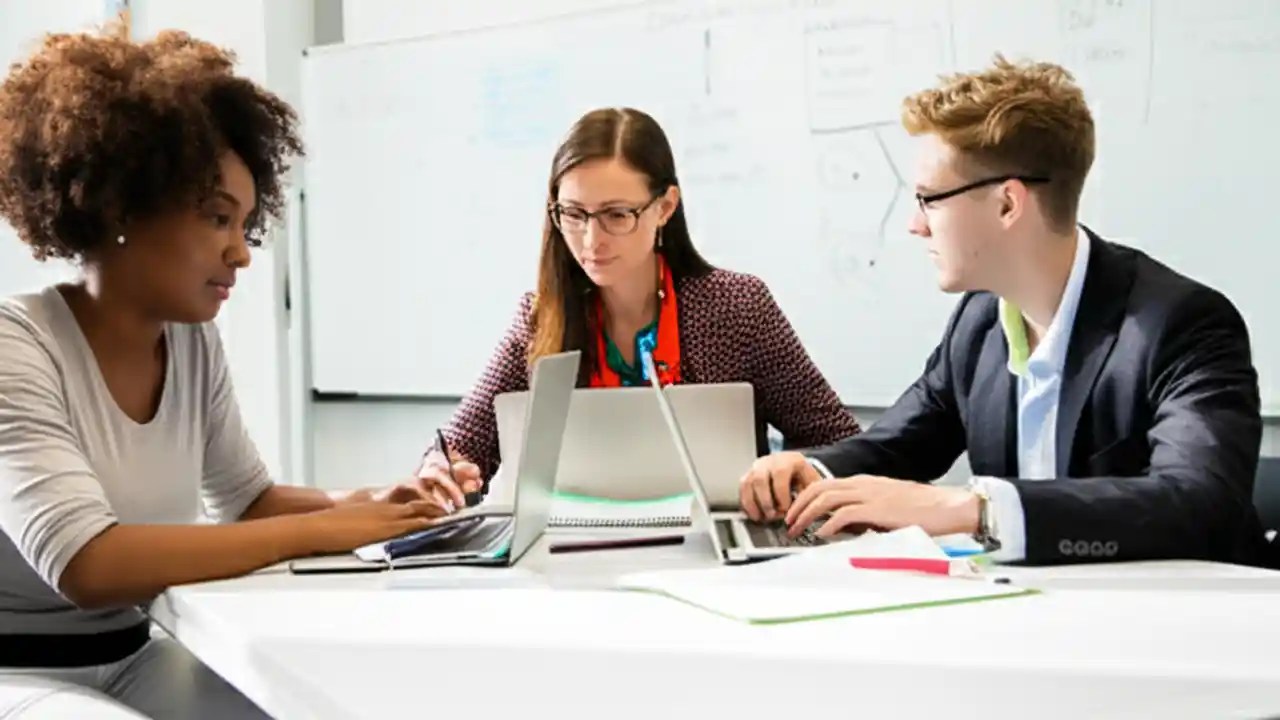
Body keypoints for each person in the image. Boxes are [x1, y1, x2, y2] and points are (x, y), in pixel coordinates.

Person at [0, 28, 475, 717]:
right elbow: (88, 565)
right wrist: (325, 532)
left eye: (245, 225)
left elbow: (247, 499)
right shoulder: (18, 345)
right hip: (18, 673)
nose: (241, 254)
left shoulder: (192, 345)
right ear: (123, 206)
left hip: (136, 653)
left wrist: (376, 502)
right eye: (217, 218)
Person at [738, 56, 1271, 567]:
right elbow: (902, 443)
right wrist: (809, 470)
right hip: (1031, 618)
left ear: (1007, 204)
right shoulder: (980, 322)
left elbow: (1200, 502)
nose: (914, 225)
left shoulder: (1182, 325)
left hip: (1181, 630)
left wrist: (974, 511)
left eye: (929, 199)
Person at [418, 107, 860, 493]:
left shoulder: (737, 307)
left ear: (665, 207)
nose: (591, 239)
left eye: (616, 215)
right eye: (573, 214)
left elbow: (837, 441)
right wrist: (442, 468)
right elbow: (461, 444)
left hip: (715, 554)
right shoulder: (539, 317)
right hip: (577, 553)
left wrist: (787, 476)